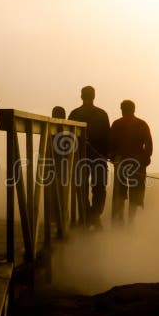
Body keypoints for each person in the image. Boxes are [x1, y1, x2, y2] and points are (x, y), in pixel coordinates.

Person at [69, 86, 110, 229]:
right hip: (99, 156)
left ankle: (86, 215)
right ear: (94, 96)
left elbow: (69, 137)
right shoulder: (102, 114)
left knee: (81, 186)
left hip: (80, 156)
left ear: (81, 96)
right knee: (99, 186)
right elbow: (108, 136)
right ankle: (94, 215)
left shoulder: (74, 114)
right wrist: (107, 154)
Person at [109, 99, 153, 225]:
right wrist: (145, 159)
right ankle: (130, 222)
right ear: (134, 109)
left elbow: (111, 144)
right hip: (137, 163)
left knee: (120, 192)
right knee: (136, 193)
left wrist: (113, 157)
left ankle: (120, 221)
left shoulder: (117, 124)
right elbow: (149, 146)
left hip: (121, 162)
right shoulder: (142, 124)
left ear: (122, 110)